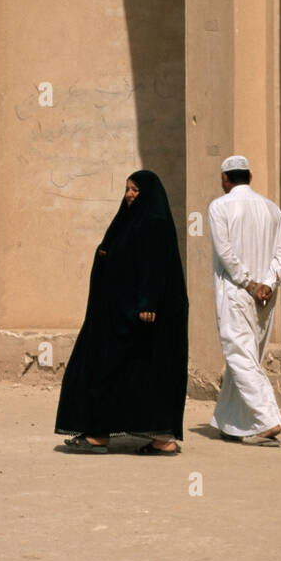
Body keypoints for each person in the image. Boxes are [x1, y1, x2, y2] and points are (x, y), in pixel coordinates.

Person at [55, 169, 189, 455]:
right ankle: (126, 435)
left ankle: (113, 435)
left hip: (143, 315)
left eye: (135, 190)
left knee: (127, 369)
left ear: (148, 194)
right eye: (128, 189)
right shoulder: (129, 220)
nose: (129, 195)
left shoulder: (154, 222)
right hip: (121, 312)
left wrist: (147, 303)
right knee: (130, 371)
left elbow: (155, 266)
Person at [208, 155, 281, 447]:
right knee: (246, 356)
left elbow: (226, 252)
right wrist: (268, 283)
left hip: (237, 292)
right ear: (250, 176)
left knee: (239, 355)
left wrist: (250, 283)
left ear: (225, 180)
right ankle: (230, 421)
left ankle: (267, 420)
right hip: (264, 299)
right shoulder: (272, 209)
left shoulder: (219, 207)